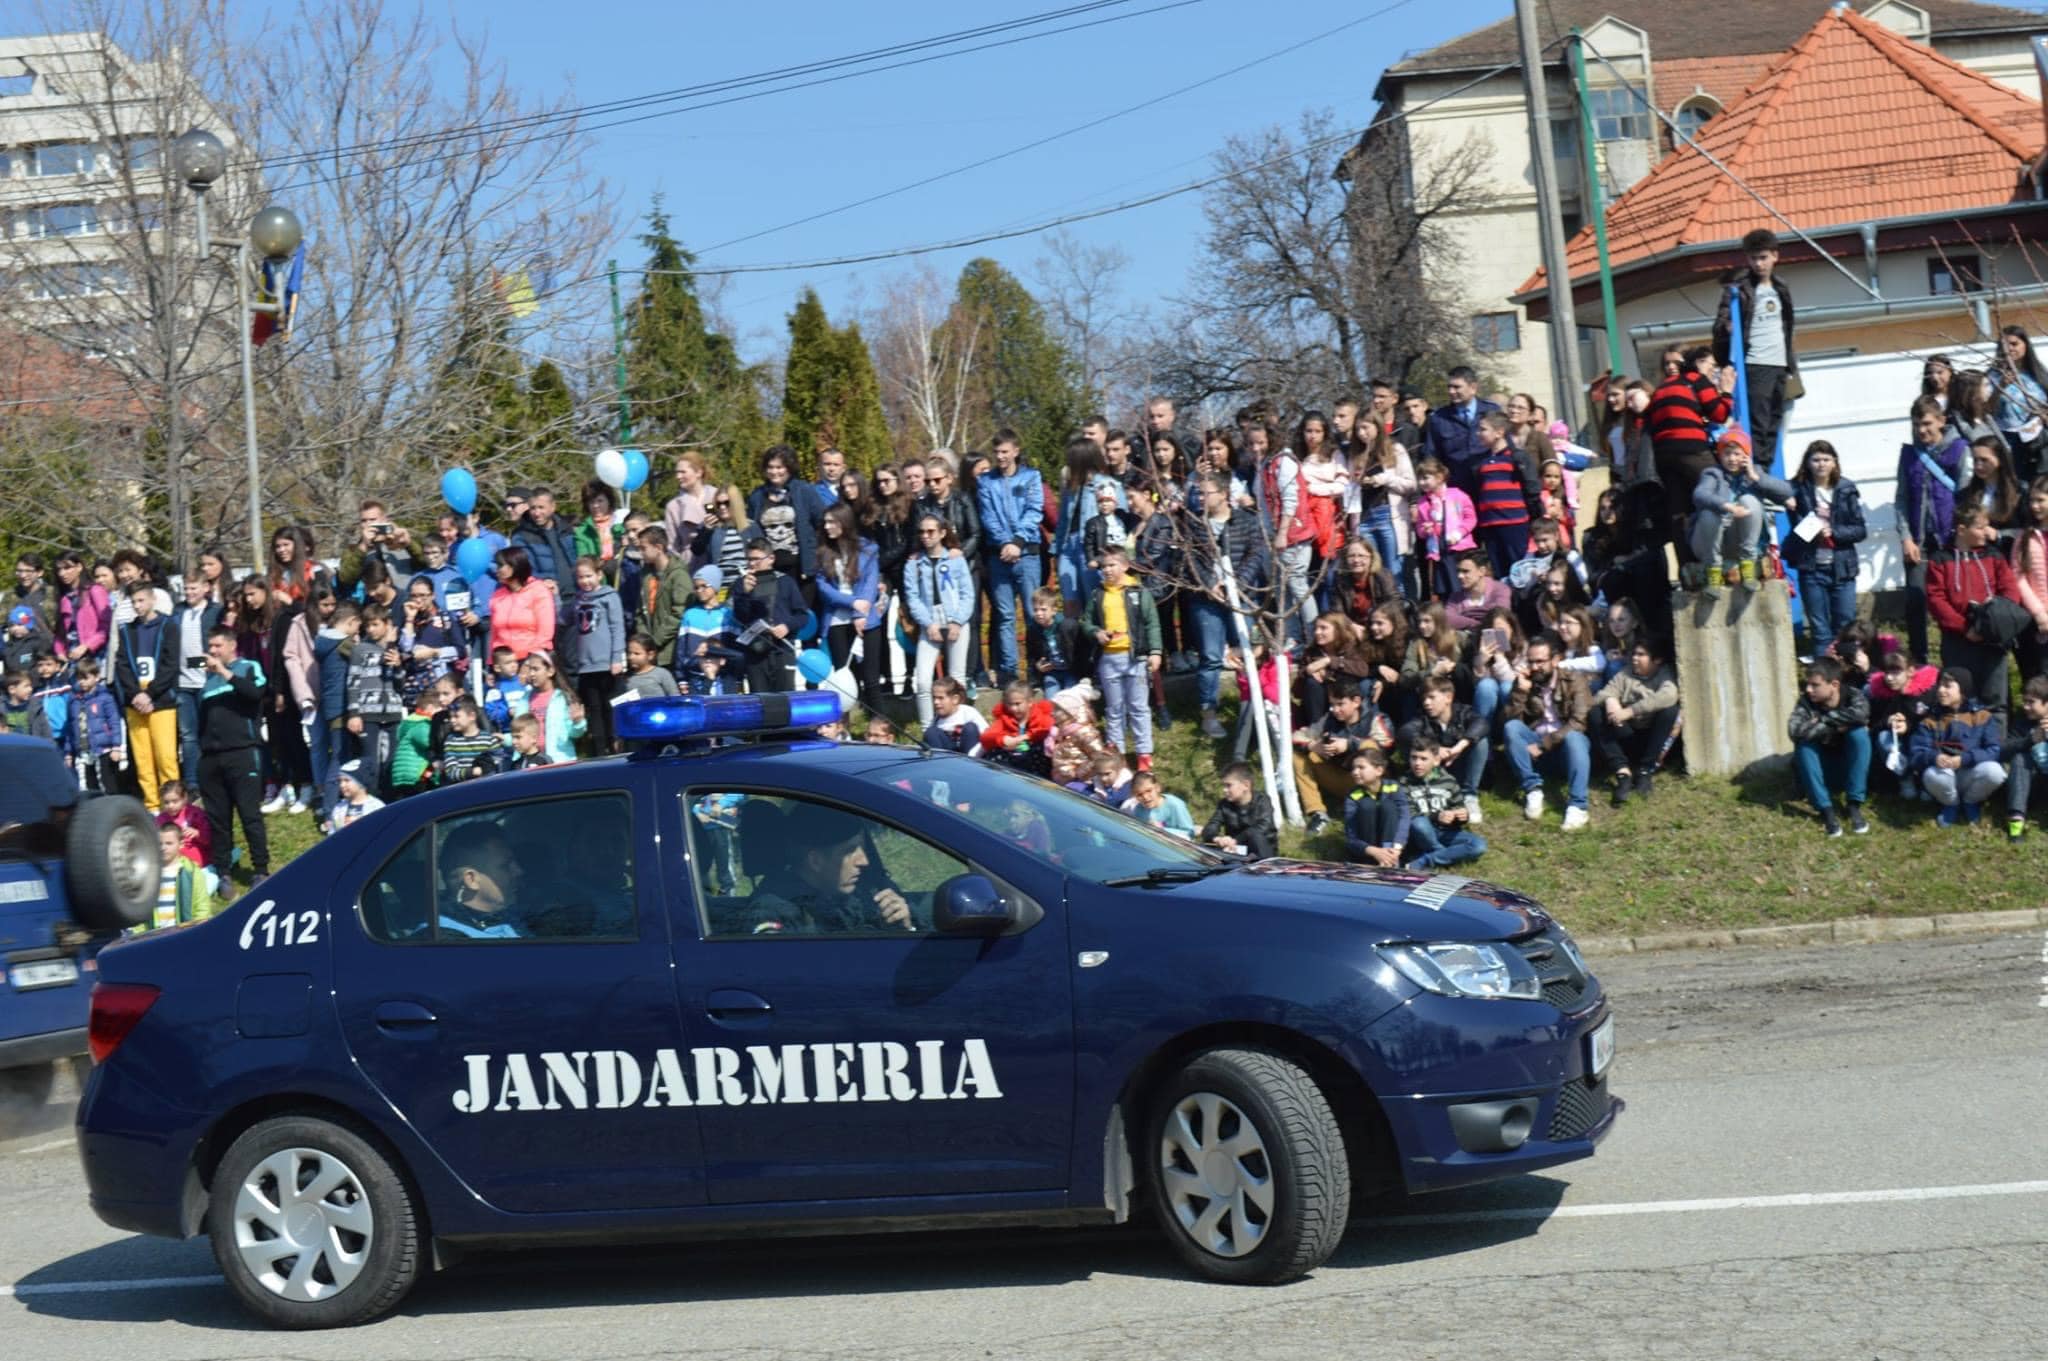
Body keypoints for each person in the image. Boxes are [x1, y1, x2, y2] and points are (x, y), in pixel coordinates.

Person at [1184, 471, 1268, 738]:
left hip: (1240, 597)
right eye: (1198, 493)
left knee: (1248, 652)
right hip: (1205, 600)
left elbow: (1255, 555)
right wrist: (1210, 585)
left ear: (1223, 494)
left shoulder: (1246, 521)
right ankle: (1209, 713)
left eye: (1205, 492)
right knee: (1210, 656)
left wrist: (1234, 585)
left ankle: (1253, 708)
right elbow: (1190, 559)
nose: (1200, 498)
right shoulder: (1194, 524)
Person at [741, 805, 913, 935]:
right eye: (849, 851)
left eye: (863, 849)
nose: (864, 861)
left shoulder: (862, 895)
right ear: (815, 861)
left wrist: (904, 928)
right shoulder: (773, 912)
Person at [1926, 504, 2027, 709]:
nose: (1987, 532)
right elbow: (1936, 600)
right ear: (1962, 530)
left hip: (1992, 637)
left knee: (1995, 699)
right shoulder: (1939, 560)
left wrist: (1993, 621)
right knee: (1960, 698)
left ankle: (1996, 740)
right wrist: (1965, 628)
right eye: (1981, 527)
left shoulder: (1994, 555)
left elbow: (2009, 590)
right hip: (1958, 640)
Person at [1712, 228, 1798, 463]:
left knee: (1774, 422)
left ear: (1775, 256)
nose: (1759, 264)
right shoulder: (1739, 288)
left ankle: (1767, 470)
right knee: (1758, 423)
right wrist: (1727, 331)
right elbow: (1720, 324)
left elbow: (1787, 327)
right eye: (1753, 258)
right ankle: (1757, 471)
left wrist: (1790, 365)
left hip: (1779, 362)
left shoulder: (1781, 287)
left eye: (1763, 257)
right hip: (1755, 362)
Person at [1896, 395, 1968, 663]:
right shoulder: (1909, 455)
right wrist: (1906, 538)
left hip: (1951, 541)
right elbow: (1902, 499)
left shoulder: (1959, 450)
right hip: (1919, 542)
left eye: (1926, 423)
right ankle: (1920, 661)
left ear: (1941, 421)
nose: (1921, 430)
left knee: (1953, 602)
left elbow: (1966, 495)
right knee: (1916, 602)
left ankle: (1956, 659)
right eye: (1916, 425)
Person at [196, 625, 269, 886]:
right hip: (211, 759)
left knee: (250, 815)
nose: (212, 651)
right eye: (210, 646)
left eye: (217, 646)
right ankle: (224, 871)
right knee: (218, 820)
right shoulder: (207, 682)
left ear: (231, 645)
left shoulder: (248, 667)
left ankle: (261, 869)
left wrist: (225, 673)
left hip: (243, 753)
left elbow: (256, 693)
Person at [1501, 631, 1593, 830]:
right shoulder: (1526, 683)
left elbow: (1579, 721)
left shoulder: (1574, 680)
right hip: (1536, 750)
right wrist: (1520, 693)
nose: (1535, 667)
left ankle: (1578, 806)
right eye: (1531, 661)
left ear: (1555, 659)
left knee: (1575, 738)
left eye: (1540, 661)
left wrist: (1545, 744)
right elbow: (1510, 725)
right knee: (1511, 728)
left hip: (1565, 749)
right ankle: (1533, 789)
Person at [1783, 440, 1867, 655]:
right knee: (1820, 630)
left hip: (1842, 567)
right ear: (1807, 463)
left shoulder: (1846, 489)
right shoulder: (1796, 489)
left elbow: (1859, 530)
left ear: (1834, 462)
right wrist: (1789, 502)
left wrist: (1835, 533)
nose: (1821, 464)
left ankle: (1846, 680)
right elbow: (1770, 491)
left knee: (1845, 627)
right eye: (1816, 459)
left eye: (1826, 459)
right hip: (1811, 567)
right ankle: (1824, 678)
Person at [976, 429, 1045, 685]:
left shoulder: (1030, 477)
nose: (1000, 457)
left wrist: (1018, 541)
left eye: (1005, 451)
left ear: (1015, 451)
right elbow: (988, 516)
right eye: (997, 452)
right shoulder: (986, 481)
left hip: (1027, 554)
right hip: (999, 556)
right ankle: (1009, 672)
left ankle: (1038, 667)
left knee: (1032, 612)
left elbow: (1034, 509)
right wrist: (1005, 543)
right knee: (1005, 615)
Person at [1087, 545, 1162, 772]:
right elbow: (1085, 621)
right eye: (1103, 565)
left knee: (1138, 706)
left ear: (1125, 566)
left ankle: (1144, 753)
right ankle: (1116, 752)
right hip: (1109, 659)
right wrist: (1096, 632)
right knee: (1114, 708)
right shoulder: (1097, 593)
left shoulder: (1139, 592)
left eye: (1112, 565)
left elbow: (1152, 623)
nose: (1107, 570)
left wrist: (1155, 651)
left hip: (1135, 658)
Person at [1649, 344, 1735, 541]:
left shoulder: (1661, 388)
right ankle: (1726, 551)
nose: (1711, 369)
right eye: (1708, 364)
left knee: (1679, 510)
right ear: (1696, 363)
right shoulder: (1695, 379)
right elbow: (1719, 414)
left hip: (1663, 455)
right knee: (1719, 490)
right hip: (1691, 449)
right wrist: (1727, 392)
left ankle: (1687, 563)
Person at [1689, 428, 1792, 591]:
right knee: (1709, 513)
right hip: (1713, 542)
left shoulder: (1754, 472)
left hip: (1744, 542)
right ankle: (1713, 573)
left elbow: (1786, 491)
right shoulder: (1713, 474)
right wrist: (1725, 505)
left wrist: (1755, 477)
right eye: (1727, 453)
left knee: (1749, 500)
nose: (1732, 459)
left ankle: (1748, 567)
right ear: (1720, 455)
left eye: (1737, 454)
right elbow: (1700, 494)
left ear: (1746, 455)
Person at [1289, 679, 1393, 835]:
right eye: (1332, 704)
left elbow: (1386, 745)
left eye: (1340, 704)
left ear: (1356, 701)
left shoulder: (1376, 719)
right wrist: (1313, 746)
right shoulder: (1328, 719)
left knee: (1370, 748)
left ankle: (1368, 806)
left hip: (1372, 782)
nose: (1335, 709)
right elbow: (1297, 736)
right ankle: (1317, 812)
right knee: (1298, 756)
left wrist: (1350, 744)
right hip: (1341, 777)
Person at [1907, 667, 2006, 826]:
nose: (1941, 690)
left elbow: (1993, 750)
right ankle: (1950, 803)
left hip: (1970, 774)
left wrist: (1965, 759)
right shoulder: (1930, 719)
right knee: (1932, 774)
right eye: (1939, 685)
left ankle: (1970, 801)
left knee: (1995, 772)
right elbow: (1916, 753)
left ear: (1963, 691)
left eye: (1948, 686)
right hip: (1944, 776)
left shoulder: (1982, 716)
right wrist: (1935, 757)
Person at [1786, 656, 1872, 838]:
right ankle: (1826, 810)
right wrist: (1835, 724)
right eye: (1807, 685)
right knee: (1805, 746)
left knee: (1859, 735)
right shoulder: (1805, 703)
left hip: (1848, 768)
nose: (1809, 690)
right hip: (1820, 771)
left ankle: (1853, 803)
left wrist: (1822, 721)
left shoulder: (1853, 695)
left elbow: (1861, 714)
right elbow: (1795, 731)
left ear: (1834, 684)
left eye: (1815, 685)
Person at [112, 579, 179, 810]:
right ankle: (152, 805)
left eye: (141, 600)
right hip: (135, 700)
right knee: (143, 758)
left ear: (152, 599)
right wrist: (135, 695)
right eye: (134, 602)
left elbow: (170, 664)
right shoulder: (127, 630)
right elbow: (121, 665)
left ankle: (173, 803)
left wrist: (150, 694)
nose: (138, 606)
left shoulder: (168, 625)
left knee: (165, 756)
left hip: (160, 699)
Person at [904, 513, 975, 729]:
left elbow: (967, 593)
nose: (926, 536)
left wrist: (957, 621)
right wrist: (927, 624)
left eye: (931, 531)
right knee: (924, 680)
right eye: (922, 532)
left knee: (956, 678)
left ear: (942, 533)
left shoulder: (956, 559)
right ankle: (927, 728)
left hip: (955, 620)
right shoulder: (914, 563)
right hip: (930, 622)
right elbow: (912, 596)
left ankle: (957, 726)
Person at [1588, 638, 1680, 806]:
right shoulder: (1626, 673)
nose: (1635, 658)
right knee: (1595, 713)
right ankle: (1622, 772)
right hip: (1627, 735)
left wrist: (1630, 711)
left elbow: (1669, 695)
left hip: (1651, 739)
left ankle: (1645, 770)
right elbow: (1602, 694)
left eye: (1641, 655)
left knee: (1670, 711)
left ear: (1656, 659)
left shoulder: (1664, 674)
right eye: (1634, 654)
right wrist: (1610, 700)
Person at [815, 503, 884, 705]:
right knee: (843, 679)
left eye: (831, 522)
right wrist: (853, 603)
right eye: (825, 522)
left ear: (843, 523)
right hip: (837, 619)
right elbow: (823, 588)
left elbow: (870, 583)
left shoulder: (867, 550)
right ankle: (843, 727)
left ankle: (879, 726)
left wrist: (860, 613)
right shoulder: (823, 553)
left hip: (866, 618)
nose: (827, 527)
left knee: (871, 678)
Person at [1398, 675, 1488, 825]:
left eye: (1432, 697)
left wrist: (1461, 745)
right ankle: (1426, 788)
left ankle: (1469, 796)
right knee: (1410, 742)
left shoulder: (1463, 712)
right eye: (1424, 698)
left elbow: (1482, 723)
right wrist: (1435, 750)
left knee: (1481, 742)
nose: (1426, 703)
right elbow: (1405, 731)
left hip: (1462, 766)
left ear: (1448, 697)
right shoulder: (1422, 718)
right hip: (1437, 771)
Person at [1397, 736, 1486, 870]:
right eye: (1413, 757)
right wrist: (1436, 816)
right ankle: (1443, 853)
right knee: (1419, 823)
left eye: (1423, 759)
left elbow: (1458, 806)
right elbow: (1409, 814)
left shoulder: (1449, 781)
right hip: (1419, 834)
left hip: (1446, 832)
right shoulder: (1403, 783)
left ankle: (1427, 859)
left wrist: (1462, 816)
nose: (1417, 763)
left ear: (1436, 760)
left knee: (1478, 845)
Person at [730, 538, 806, 694]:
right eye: (749, 559)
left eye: (757, 559)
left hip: (782, 648)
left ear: (771, 558)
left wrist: (787, 626)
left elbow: (802, 615)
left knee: (786, 697)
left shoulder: (786, 582)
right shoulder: (741, 583)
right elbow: (740, 617)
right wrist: (745, 593)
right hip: (755, 650)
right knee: (760, 698)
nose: (752, 564)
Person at [748, 446, 828, 583]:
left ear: (789, 468)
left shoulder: (804, 491)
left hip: (800, 567)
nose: (774, 472)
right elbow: (751, 529)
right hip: (768, 569)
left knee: (800, 605)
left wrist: (815, 553)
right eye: (770, 467)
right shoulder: (757, 496)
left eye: (779, 467)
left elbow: (822, 522)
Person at [1471, 413, 1535, 578]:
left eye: (1483, 429)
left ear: (1499, 432)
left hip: (1513, 523)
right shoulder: (1481, 462)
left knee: (1518, 569)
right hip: (1490, 524)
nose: (1478, 433)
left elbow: (1531, 488)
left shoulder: (1516, 457)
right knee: (1499, 572)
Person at [1421, 366, 1501, 497]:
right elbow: (1432, 456)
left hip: (1491, 485)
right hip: (1457, 490)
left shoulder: (1492, 411)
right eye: (1449, 387)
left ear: (1473, 388)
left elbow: (1505, 446)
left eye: (1457, 387)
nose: (1451, 391)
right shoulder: (1439, 418)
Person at [1410, 456, 1478, 602]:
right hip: (1438, 551)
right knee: (1443, 588)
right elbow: (1419, 529)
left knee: (1461, 584)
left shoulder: (1457, 495)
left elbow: (1470, 518)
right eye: (1419, 479)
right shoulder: (1423, 503)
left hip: (1458, 548)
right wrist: (1425, 530)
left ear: (1440, 477)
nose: (1422, 482)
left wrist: (1459, 533)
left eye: (1425, 478)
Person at [1992, 325, 2048, 483]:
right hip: (2009, 440)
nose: (2009, 349)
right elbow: (1986, 410)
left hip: (2039, 439)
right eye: (2004, 345)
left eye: (2014, 344)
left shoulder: (2038, 374)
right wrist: (2000, 387)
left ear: (2025, 345)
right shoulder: (1993, 376)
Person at [1998, 674, 2048, 841]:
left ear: (2046, 703)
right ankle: (2016, 822)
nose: (2026, 707)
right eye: (2025, 701)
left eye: (2031, 702)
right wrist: (2029, 740)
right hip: (2031, 785)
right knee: (2019, 758)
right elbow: (2003, 750)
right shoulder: (2022, 722)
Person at [63, 657, 125, 791]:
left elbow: (114, 722)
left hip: (105, 749)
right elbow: (70, 727)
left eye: (85, 678)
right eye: (79, 678)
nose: (82, 682)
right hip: (85, 749)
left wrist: (116, 746)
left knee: (108, 783)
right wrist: (69, 752)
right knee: (90, 786)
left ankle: (114, 809)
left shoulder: (105, 698)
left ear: (96, 677)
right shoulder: (73, 700)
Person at [486, 546, 555, 664]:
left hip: (531, 660)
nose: (496, 570)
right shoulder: (497, 596)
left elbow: (545, 631)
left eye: (500, 566)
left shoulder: (538, 590)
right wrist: (491, 662)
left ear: (514, 566)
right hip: (504, 664)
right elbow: (494, 634)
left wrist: (533, 659)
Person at [1340, 747, 1408, 867]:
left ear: (1379, 770)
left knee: (1388, 806)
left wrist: (1396, 848)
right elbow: (1351, 836)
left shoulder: (1394, 787)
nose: (1355, 772)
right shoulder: (1353, 796)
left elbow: (1404, 818)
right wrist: (1374, 851)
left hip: (1392, 849)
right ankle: (1370, 862)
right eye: (1353, 768)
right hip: (1366, 851)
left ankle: (1389, 860)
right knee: (1367, 805)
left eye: (1361, 767)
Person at [1199, 761, 1277, 860]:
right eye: (1224, 786)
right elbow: (1211, 826)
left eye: (1229, 785)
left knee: (1254, 834)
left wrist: (1235, 840)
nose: (1224, 790)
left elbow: (1264, 826)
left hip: (1261, 851)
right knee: (1203, 848)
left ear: (1246, 785)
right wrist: (1218, 839)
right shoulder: (1224, 805)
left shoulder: (1262, 800)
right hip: (1234, 850)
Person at [144, 822, 213, 932]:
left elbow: (202, 906)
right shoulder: (148, 872)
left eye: (169, 843)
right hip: (154, 935)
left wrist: (201, 928)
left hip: (182, 933)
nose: (163, 848)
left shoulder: (192, 871)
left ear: (181, 844)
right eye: (159, 843)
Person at [979, 680, 1054, 776]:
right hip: (1012, 759)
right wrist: (1003, 739)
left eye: (1017, 704)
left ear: (1030, 702)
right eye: (1010, 704)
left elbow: (1048, 729)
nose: (1013, 708)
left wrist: (1027, 736)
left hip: (1035, 761)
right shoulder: (1005, 719)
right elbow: (986, 736)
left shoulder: (1040, 716)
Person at [1026, 586, 1087, 699]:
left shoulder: (1067, 626)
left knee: (1070, 699)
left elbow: (1081, 651)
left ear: (1054, 610)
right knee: (1051, 701)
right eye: (1035, 610)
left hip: (1070, 671)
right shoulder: (1033, 630)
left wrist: (1084, 675)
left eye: (1043, 609)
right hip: (1051, 673)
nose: (1039, 613)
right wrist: (1037, 668)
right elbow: (1031, 656)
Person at [1444, 552, 1509, 635]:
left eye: (1465, 571)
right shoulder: (1456, 596)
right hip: (1467, 637)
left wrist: (1465, 617)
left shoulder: (1500, 589)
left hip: (1495, 637)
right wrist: (1477, 625)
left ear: (1481, 571)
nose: (1459, 576)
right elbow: (1447, 618)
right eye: (1458, 571)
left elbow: (1499, 615)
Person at [662, 452, 711, 560]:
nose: (678, 476)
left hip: (716, 558)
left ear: (698, 472)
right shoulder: (673, 506)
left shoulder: (715, 496)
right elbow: (672, 546)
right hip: (690, 564)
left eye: (683, 472)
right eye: (677, 472)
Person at [1123, 770, 1196, 836]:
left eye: (1148, 791)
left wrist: (1162, 830)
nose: (1145, 797)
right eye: (1139, 795)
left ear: (1157, 787)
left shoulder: (1175, 805)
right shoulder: (1139, 810)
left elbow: (1189, 832)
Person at [330, 759, 386, 831]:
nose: (342, 785)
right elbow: (333, 833)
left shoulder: (376, 807)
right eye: (340, 781)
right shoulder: (338, 808)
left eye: (346, 780)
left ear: (361, 784)